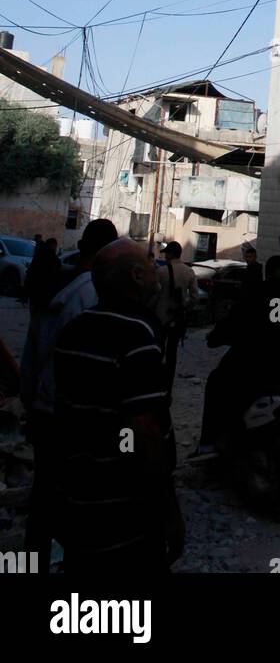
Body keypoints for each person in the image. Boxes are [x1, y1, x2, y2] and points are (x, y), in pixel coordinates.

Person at [53, 238, 184, 573]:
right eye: (149, 263)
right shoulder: (137, 334)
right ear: (137, 277)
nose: (157, 269)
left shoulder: (74, 330)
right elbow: (144, 430)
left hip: (79, 499)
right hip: (124, 506)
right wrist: (166, 507)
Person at [20, 218, 118, 570]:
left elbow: (30, 355)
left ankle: (34, 561)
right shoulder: (90, 295)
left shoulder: (55, 287)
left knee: (44, 496)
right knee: (74, 496)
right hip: (72, 415)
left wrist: (29, 402)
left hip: (45, 407)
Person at [195, 255, 280, 456]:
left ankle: (208, 443)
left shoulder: (254, 294)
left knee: (217, 382)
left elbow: (232, 324)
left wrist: (216, 337)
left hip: (254, 370)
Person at [154, 241, 198, 397]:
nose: (165, 256)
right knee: (172, 353)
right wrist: (184, 308)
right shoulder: (188, 272)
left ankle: (156, 384)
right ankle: (168, 387)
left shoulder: (161, 272)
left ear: (171, 254)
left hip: (161, 318)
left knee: (158, 351)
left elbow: (153, 294)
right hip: (178, 318)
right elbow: (194, 297)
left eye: (166, 253)